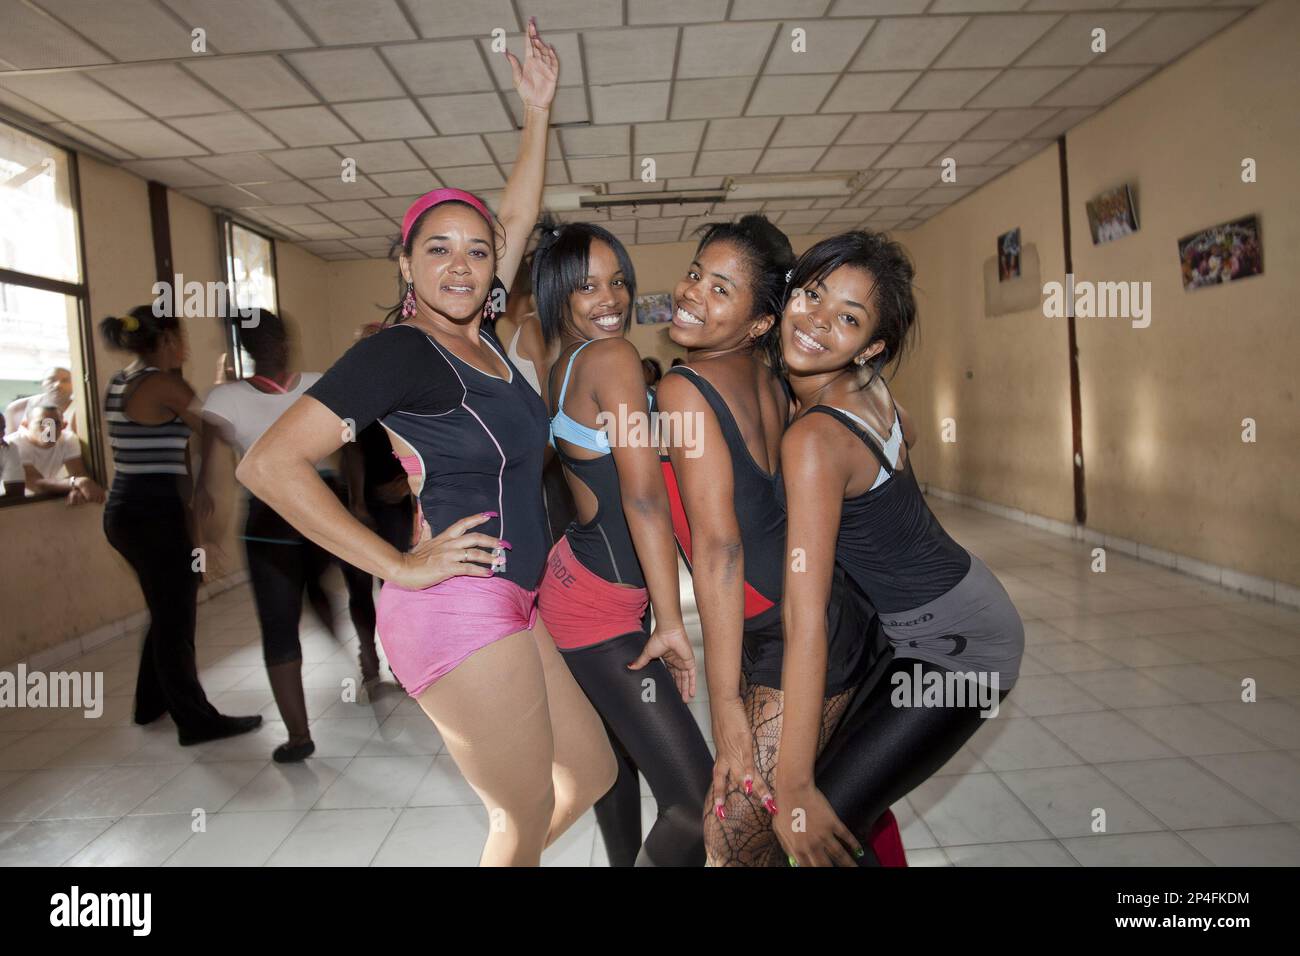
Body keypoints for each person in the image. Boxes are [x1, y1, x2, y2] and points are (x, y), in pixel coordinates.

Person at [237, 19, 617, 867]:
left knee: (588, 772)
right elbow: (267, 464)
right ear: (405, 265)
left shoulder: (479, 337)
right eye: (437, 249)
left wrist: (537, 113)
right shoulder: (399, 352)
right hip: (457, 607)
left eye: (478, 253)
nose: (462, 263)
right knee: (514, 824)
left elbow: (514, 215)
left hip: (514, 599)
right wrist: (397, 565)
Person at [773, 231, 1024, 866]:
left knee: (816, 825)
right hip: (955, 606)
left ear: (872, 345)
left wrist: (792, 786)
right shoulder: (870, 390)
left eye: (848, 319)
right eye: (812, 295)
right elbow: (905, 432)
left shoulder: (813, 441)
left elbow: (805, 620)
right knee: (848, 814)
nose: (816, 323)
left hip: (962, 652)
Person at [653, 216, 894, 867]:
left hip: (792, 636)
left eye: (721, 289)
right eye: (697, 273)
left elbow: (720, 550)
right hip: (815, 619)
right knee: (802, 820)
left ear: (760, 322)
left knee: (736, 839)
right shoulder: (769, 376)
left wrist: (724, 700)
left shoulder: (682, 388)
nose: (693, 292)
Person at [532, 220, 711, 866]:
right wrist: (670, 622)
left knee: (613, 766)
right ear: (558, 295)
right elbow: (641, 497)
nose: (609, 299)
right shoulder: (612, 360)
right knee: (696, 804)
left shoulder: (563, 363)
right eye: (587, 287)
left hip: (581, 584)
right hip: (599, 613)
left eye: (618, 283)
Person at [197, 309, 375, 761]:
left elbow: (351, 445)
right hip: (270, 520)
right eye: (259, 338)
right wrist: (203, 524)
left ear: (286, 339)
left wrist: (356, 503)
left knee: (361, 585)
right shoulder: (226, 398)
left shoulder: (321, 382)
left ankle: (370, 654)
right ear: (247, 347)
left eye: (275, 335)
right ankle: (299, 734)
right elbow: (207, 468)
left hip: (323, 504)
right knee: (278, 624)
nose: (271, 344)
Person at [100, 305, 262, 746]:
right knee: (175, 619)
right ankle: (195, 721)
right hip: (151, 514)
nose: (186, 347)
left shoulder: (124, 380)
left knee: (165, 611)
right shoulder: (161, 382)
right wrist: (225, 391)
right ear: (167, 341)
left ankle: (149, 704)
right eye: (182, 338)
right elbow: (219, 427)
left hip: (130, 511)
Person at [341, 321, 417, 692]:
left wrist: (407, 485)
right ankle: (367, 653)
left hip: (399, 502)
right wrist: (357, 502)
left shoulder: (408, 391)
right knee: (358, 586)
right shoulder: (351, 395)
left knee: (397, 585)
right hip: (361, 501)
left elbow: (425, 448)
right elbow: (350, 449)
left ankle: (400, 662)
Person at [5, 397, 103, 503]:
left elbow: (78, 472)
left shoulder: (68, 440)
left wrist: (76, 489)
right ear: (25, 425)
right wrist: (76, 483)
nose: (49, 430)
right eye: (42, 423)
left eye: (55, 423)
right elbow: (36, 484)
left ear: (64, 425)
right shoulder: (12, 445)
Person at [5, 366, 78, 437]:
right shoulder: (18, 408)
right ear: (42, 384)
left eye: (65, 380)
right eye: (52, 380)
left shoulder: (81, 410)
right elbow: (9, 445)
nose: (58, 385)